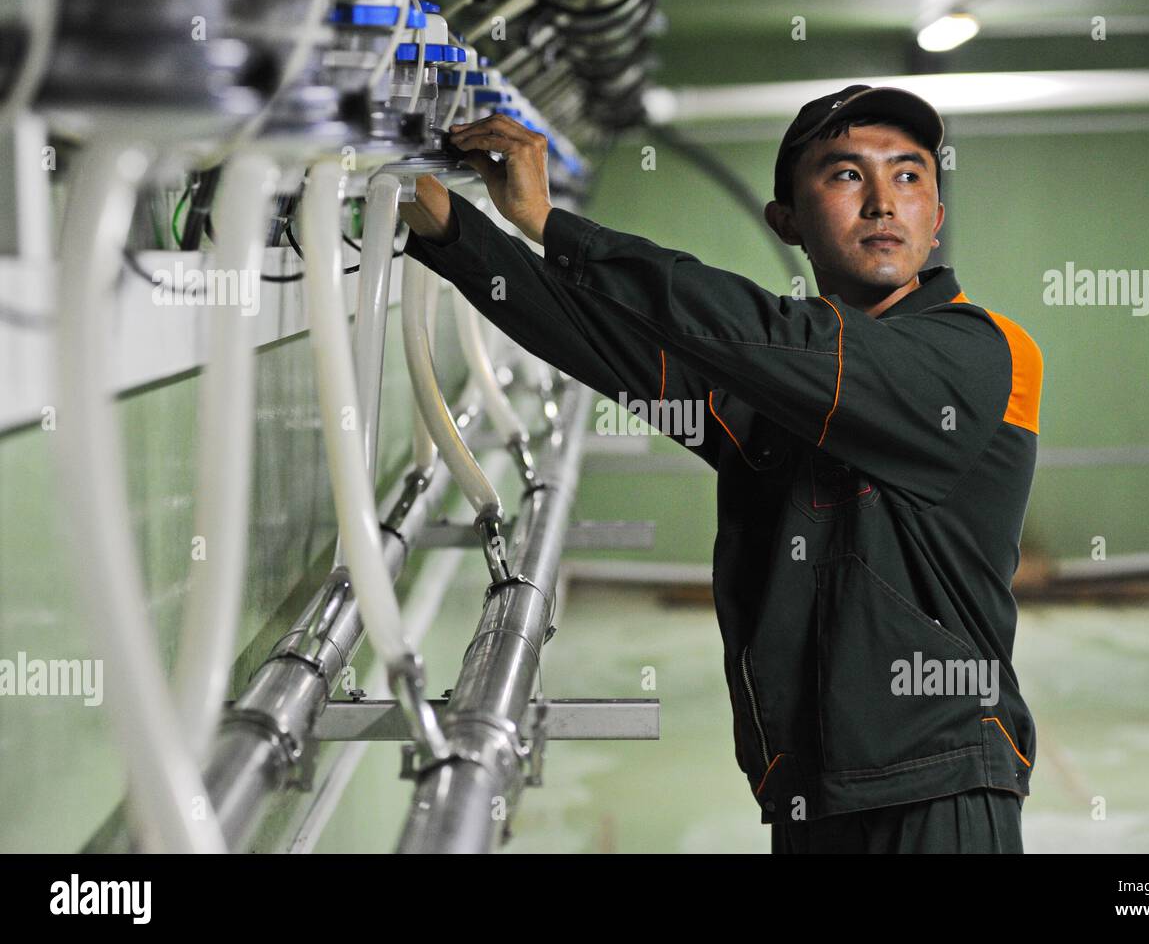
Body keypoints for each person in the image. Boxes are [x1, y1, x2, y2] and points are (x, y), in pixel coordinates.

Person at [399, 84, 1042, 854]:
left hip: (941, 787)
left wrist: (551, 226)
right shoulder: (791, 383)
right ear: (787, 221)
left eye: (909, 177)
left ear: (935, 219)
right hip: (812, 795)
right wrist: (443, 226)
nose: (882, 203)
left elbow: (766, 335)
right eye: (845, 175)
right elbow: (615, 346)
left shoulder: (981, 355)